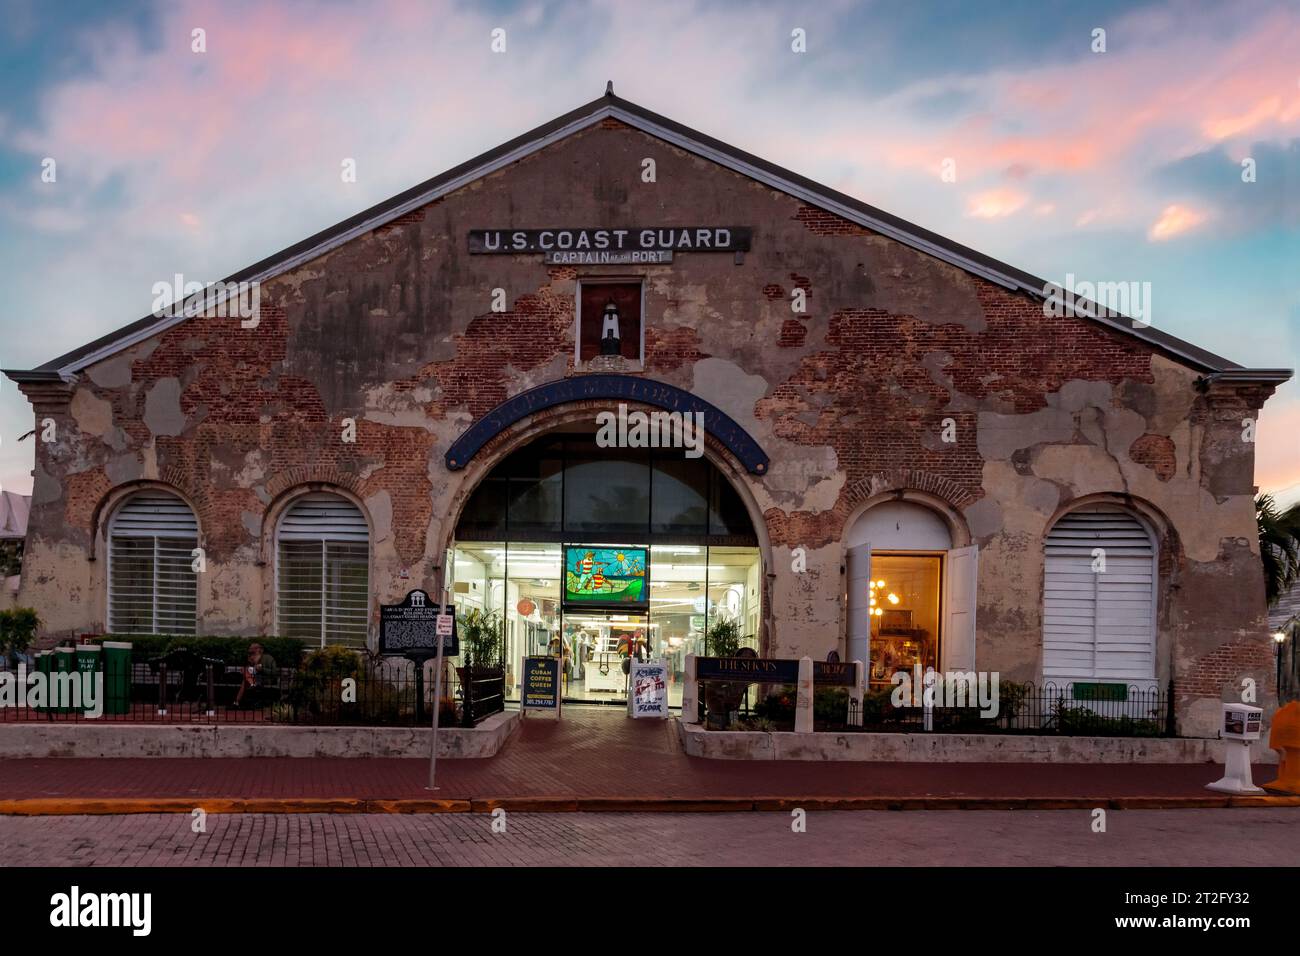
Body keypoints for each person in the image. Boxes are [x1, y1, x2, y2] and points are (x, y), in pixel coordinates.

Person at [232, 642, 278, 708]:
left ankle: (237, 702)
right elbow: (251, 670)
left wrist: (262, 669)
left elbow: (274, 672)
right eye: (251, 648)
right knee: (245, 674)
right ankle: (239, 701)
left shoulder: (268, 658)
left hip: (266, 679)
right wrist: (250, 664)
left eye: (254, 648)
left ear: (261, 649)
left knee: (245, 681)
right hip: (254, 678)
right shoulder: (252, 658)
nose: (253, 650)